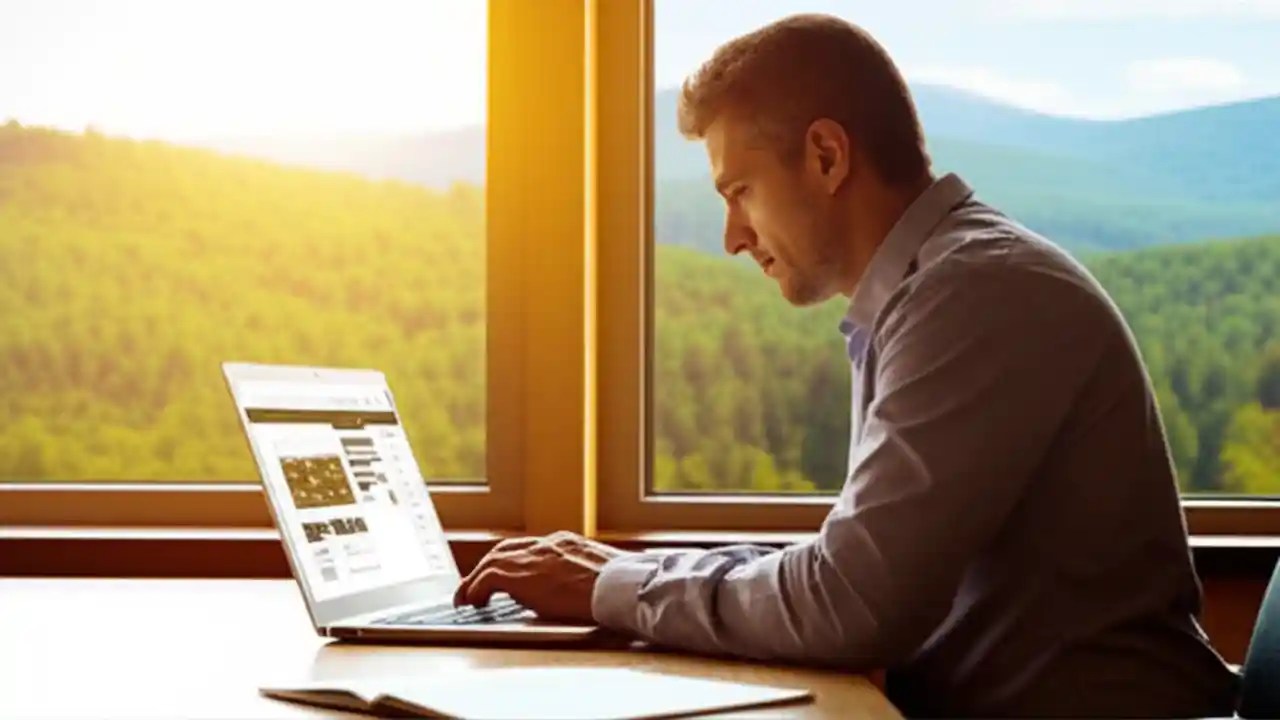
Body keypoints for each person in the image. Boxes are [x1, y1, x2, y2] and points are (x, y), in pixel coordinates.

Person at [454, 13, 1240, 718]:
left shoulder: (973, 294)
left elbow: (853, 603)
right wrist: (623, 572)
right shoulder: (931, 289)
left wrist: (608, 587)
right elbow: (847, 570)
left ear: (827, 156)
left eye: (741, 191)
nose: (732, 235)